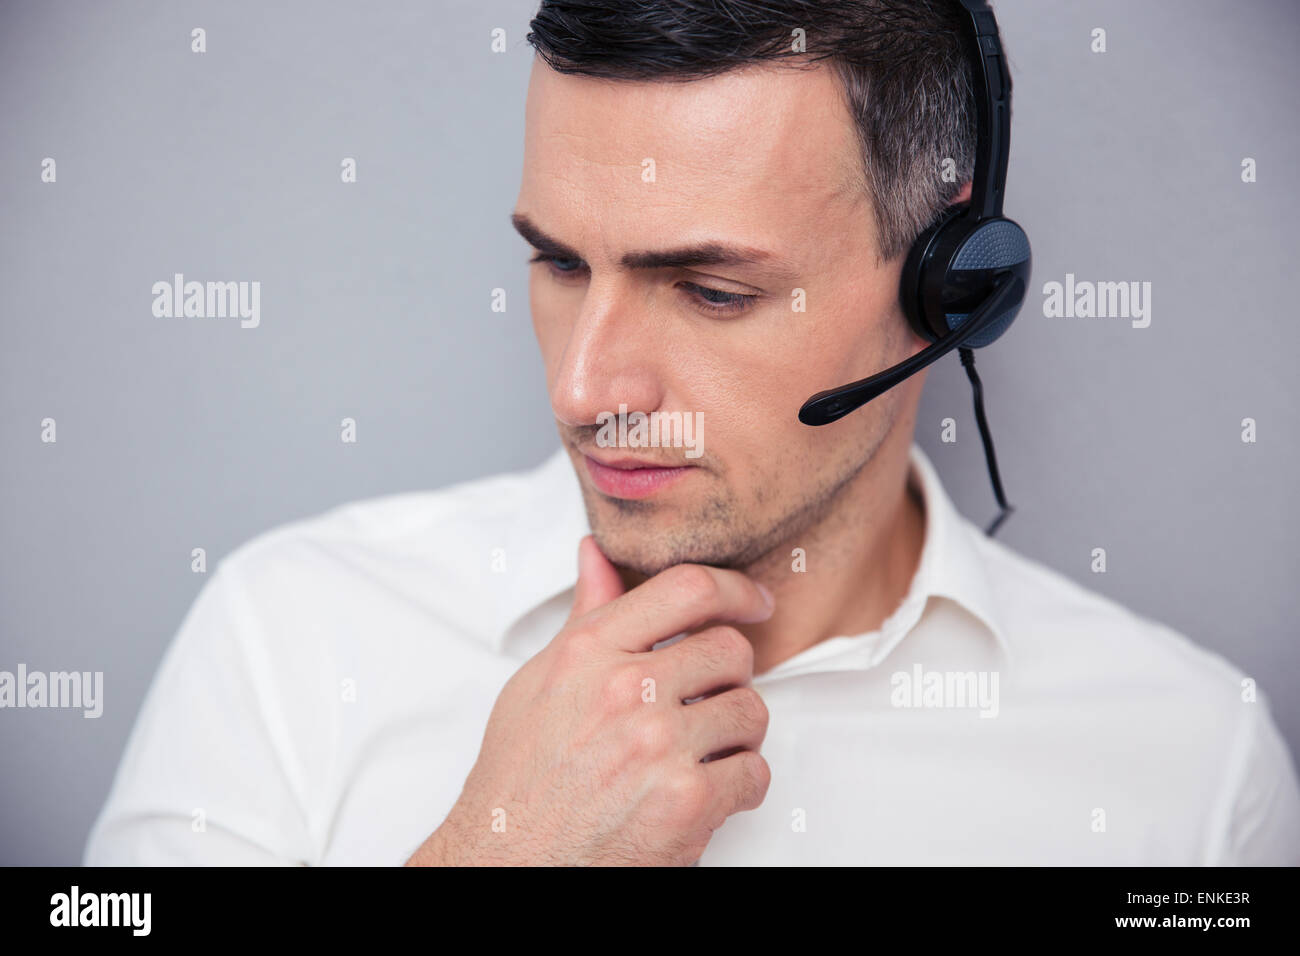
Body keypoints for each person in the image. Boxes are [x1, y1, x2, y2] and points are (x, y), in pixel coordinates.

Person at [85, 0, 1300, 866]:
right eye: (558, 261)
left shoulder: (1189, 764)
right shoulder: (288, 635)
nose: (582, 385)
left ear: (952, 286)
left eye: (713, 291)